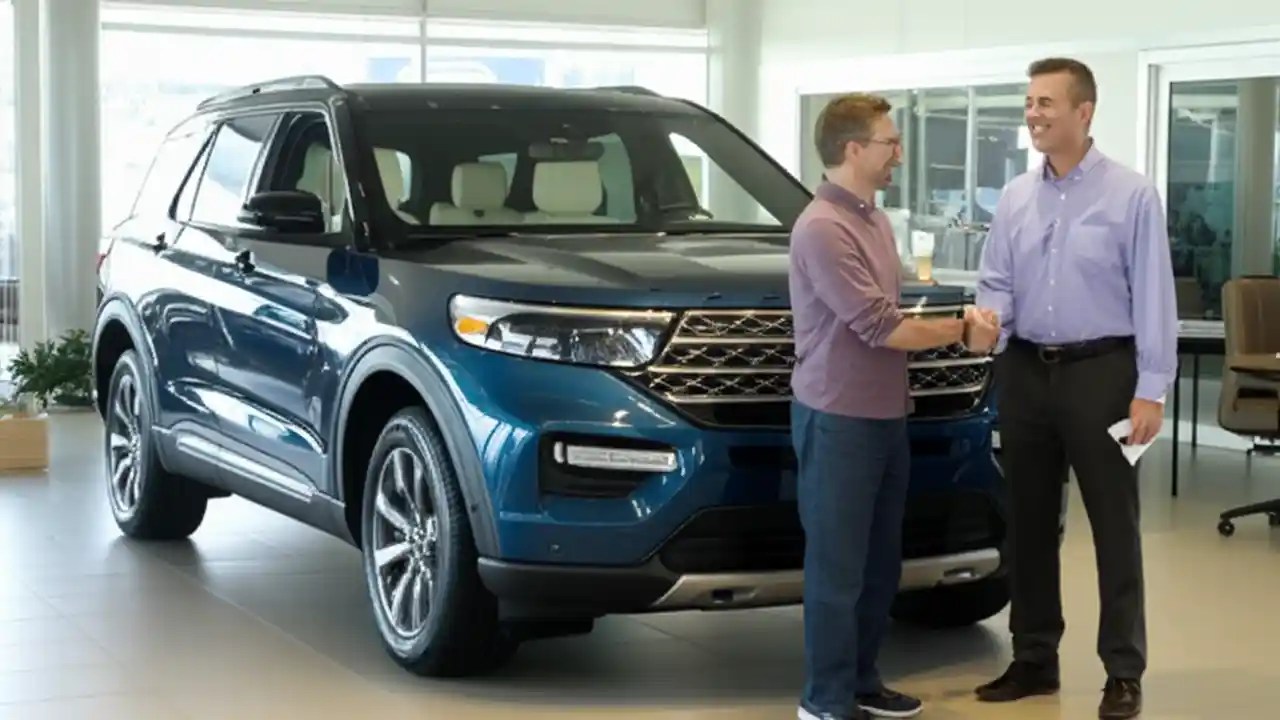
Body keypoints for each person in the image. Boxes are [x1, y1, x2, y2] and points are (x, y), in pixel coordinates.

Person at [967, 57, 1178, 720]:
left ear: (1083, 112)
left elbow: (1154, 296)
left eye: (1046, 103)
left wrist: (1152, 388)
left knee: (1115, 525)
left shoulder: (1131, 195)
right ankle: (1034, 658)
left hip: (1103, 374)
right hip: (1025, 371)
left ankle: (1123, 670)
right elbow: (996, 281)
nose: (1033, 114)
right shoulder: (1014, 197)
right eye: (1030, 102)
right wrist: (988, 328)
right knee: (1028, 524)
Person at [788, 92, 998, 720]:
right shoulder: (822, 228)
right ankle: (824, 702)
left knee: (879, 565)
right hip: (838, 418)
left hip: (885, 415)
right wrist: (962, 330)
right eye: (890, 142)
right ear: (853, 149)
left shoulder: (875, 222)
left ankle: (862, 681)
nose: (899, 154)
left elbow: (891, 315)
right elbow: (879, 326)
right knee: (837, 569)